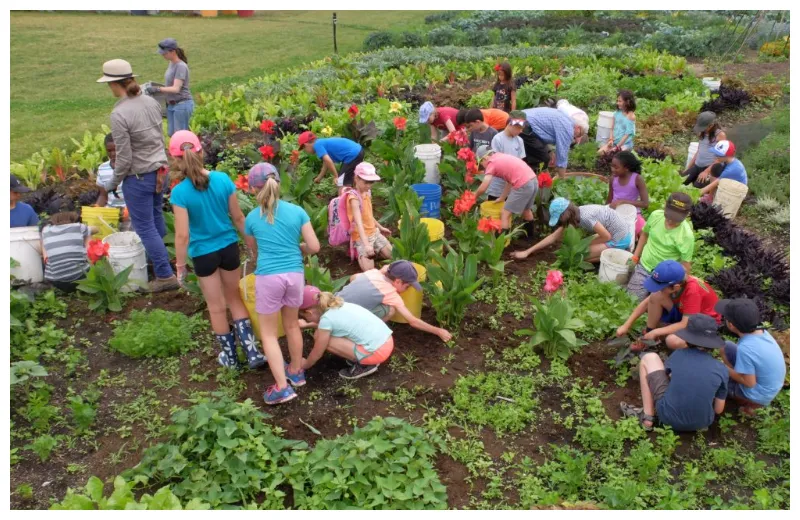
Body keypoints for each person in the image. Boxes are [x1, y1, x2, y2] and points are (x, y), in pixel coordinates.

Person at [168, 131, 266, 371]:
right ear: (201, 152)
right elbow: (238, 217)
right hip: (228, 248)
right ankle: (252, 352)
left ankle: (231, 359)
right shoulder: (222, 179)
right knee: (235, 298)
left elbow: (182, 235)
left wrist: (180, 266)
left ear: (175, 160)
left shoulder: (179, 193)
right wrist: (252, 246)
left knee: (216, 307)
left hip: (203, 254)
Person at [96, 58, 177, 293]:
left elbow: (124, 158)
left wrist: (112, 183)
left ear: (113, 84)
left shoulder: (119, 113)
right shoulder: (150, 101)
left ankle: (165, 276)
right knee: (156, 219)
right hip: (160, 171)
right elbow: (159, 137)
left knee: (145, 228)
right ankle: (162, 263)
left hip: (139, 177)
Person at [244, 163, 320, 404]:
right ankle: (296, 372)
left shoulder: (251, 218)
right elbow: (315, 247)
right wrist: (299, 248)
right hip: (295, 275)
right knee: (292, 326)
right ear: (278, 183)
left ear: (252, 189)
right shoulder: (297, 211)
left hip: (269, 277)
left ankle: (282, 387)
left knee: (268, 335)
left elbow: (255, 251)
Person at [620, 314, 728, 432]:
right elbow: (718, 410)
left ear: (687, 337)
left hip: (668, 417)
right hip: (702, 422)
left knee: (649, 358)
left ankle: (648, 418)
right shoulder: (721, 368)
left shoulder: (679, 354)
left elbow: (665, 376)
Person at [335, 260, 453, 343]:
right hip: (343, 323)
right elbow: (413, 321)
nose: (407, 290)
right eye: (407, 286)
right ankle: (365, 333)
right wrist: (438, 331)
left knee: (361, 283)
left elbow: (353, 278)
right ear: (397, 281)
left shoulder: (373, 273)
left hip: (333, 303)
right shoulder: (390, 293)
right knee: (390, 310)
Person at [616, 260, 720, 346]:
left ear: (675, 287)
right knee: (655, 296)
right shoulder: (677, 281)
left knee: (672, 341)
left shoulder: (692, 291)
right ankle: (649, 336)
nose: (658, 289)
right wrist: (626, 325)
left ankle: (695, 349)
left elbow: (685, 324)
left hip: (703, 324)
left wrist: (657, 332)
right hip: (687, 314)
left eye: (661, 287)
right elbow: (645, 304)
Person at [298, 287, 395, 380]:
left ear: (309, 313)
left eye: (306, 318)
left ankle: (365, 365)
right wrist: (308, 325)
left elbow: (318, 351)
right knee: (323, 333)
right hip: (386, 341)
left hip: (377, 352)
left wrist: (306, 364)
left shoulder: (326, 320)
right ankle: (362, 356)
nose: (307, 320)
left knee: (319, 336)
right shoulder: (339, 304)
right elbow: (330, 326)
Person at [717, 298, 786, 415]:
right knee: (726, 346)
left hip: (758, 394)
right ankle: (735, 377)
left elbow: (750, 383)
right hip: (770, 385)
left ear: (731, 325)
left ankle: (749, 405)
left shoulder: (746, 348)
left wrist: (723, 368)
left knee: (716, 381)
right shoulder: (762, 332)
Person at [512, 197, 631, 262]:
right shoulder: (576, 213)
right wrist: (527, 252)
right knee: (579, 250)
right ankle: (605, 252)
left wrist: (584, 244)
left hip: (619, 238)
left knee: (578, 256)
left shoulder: (585, 218)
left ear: (565, 215)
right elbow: (553, 237)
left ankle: (614, 255)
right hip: (610, 232)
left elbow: (607, 237)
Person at [626, 193, 694, 302]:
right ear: (665, 205)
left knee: (656, 302)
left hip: (665, 277)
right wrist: (635, 257)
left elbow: (685, 265)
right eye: (669, 216)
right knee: (632, 299)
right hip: (645, 266)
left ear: (687, 215)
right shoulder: (656, 216)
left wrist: (680, 286)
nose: (671, 221)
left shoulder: (686, 235)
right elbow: (644, 234)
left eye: (676, 219)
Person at [474, 147, 537, 232]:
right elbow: (509, 182)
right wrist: (502, 198)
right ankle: (530, 237)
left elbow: (484, 186)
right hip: (533, 180)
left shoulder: (491, 163)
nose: (483, 166)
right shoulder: (500, 156)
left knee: (505, 214)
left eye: (481, 163)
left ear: (484, 158)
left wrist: (474, 196)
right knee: (526, 210)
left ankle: (502, 239)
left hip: (523, 184)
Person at [346, 163, 392, 271]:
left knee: (393, 256)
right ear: (356, 178)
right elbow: (358, 223)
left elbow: (369, 215)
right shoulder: (354, 198)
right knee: (370, 271)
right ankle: (361, 251)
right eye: (366, 182)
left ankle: (374, 250)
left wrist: (380, 228)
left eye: (371, 182)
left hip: (374, 232)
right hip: (361, 237)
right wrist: (366, 245)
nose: (369, 185)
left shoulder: (367, 193)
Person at [146, 38, 194, 136]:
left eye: (165, 53)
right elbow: (170, 85)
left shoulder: (181, 66)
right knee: (171, 133)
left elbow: (176, 89)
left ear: (173, 51)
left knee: (180, 136)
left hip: (182, 104)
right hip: (171, 105)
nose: (163, 55)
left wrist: (157, 89)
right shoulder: (171, 63)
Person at [39, 212, 97, 293]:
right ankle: (92, 260)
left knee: (44, 242)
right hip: (81, 277)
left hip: (56, 281)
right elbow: (96, 229)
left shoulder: (45, 230)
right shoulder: (78, 227)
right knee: (88, 234)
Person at [522, 107, 583, 178]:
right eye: (579, 134)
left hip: (525, 121)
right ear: (578, 127)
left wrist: (549, 151)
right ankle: (537, 180)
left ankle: (541, 179)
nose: (576, 138)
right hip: (523, 125)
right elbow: (562, 157)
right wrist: (562, 179)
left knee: (540, 156)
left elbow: (542, 134)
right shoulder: (568, 130)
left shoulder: (566, 120)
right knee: (542, 158)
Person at [297, 131, 364, 190]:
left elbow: (328, 161)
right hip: (358, 150)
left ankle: (344, 199)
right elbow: (326, 163)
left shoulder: (317, 145)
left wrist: (336, 176)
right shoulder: (320, 143)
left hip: (352, 154)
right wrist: (319, 178)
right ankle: (357, 195)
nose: (306, 151)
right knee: (350, 179)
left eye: (304, 149)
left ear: (305, 145)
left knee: (341, 183)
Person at [606, 151, 649, 236]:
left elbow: (645, 203)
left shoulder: (637, 179)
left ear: (627, 168)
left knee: (645, 233)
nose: (612, 169)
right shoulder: (613, 179)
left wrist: (623, 202)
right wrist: (604, 210)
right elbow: (609, 199)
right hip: (615, 213)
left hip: (633, 214)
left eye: (616, 167)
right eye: (612, 166)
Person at [681, 111, 726, 187]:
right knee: (682, 180)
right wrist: (688, 168)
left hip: (710, 168)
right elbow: (698, 151)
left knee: (696, 187)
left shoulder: (720, 135)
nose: (702, 130)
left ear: (711, 125)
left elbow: (720, 159)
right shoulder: (701, 133)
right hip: (697, 165)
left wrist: (706, 171)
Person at [488, 117, 526, 201]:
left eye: (522, 129)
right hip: (498, 184)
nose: (521, 131)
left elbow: (521, 161)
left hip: (512, 183)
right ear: (510, 125)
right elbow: (496, 162)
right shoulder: (498, 139)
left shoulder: (519, 140)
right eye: (519, 128)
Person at [598, 89, 636, 154]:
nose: (617, 103)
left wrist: (617, 147)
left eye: (620, 101)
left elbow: (627, 135)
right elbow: (612, 128)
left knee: (613, 156)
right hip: (614, 142)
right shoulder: (616, 113)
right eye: (617, 101)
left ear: (627, 102)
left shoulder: (630, 116)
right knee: (599, 153)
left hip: (625, 144)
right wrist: (611, 139)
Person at [95, 134, 125, 208]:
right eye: (109, 151)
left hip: (131, 210)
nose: (113, 154)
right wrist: (97, 207)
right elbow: (103, 195)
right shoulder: (102, 169)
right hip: (111, 211)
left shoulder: (132, 168)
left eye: (116, 149)